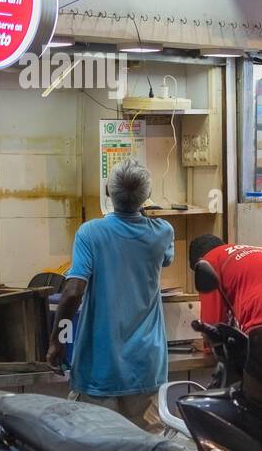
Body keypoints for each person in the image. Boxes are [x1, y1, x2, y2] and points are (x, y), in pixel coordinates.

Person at [46, 160, 174, 426]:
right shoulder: (162, 232)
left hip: (99, 367)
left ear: (108, 191)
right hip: (146, 365)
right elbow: (164, 260)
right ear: (147, 196)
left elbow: (72, 292)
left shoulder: (91, 233)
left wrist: (58, 340)